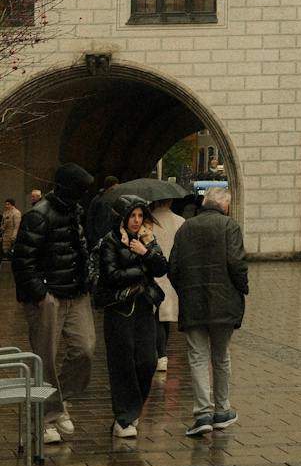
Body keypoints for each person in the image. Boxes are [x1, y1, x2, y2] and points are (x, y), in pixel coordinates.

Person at [11, 162, 96, 444]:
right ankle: (47, 417)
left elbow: (81, 248)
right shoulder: (38, 216)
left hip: (75, 291)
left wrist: (87, 278)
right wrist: (40, 294)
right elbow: (23, 261)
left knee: (85, 349)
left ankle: (57, 401)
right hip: (48, 296)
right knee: (45, 357)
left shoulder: (75, 212)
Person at [168, 185, 248, 438]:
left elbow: (174, 267)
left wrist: (185, 290)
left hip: (193, 302)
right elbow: (236, 262)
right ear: (224, 206)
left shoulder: (185, 228)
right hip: (224, 302)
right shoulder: (229, 226)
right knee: (221, 356)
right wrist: (242, 288)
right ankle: (222, 410)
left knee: (198, 356)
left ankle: (203, 412)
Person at [95, 194, 169, 437]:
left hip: (144, 306)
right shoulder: (110, 241)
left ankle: (133, 409)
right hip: (120, 308)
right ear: (122, 218)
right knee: (123, 363)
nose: (137, 221)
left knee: (147, 361)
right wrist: (141, 267)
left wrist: (144, 252)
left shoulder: (147, 238)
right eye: (133, 216)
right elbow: (111, 275)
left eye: (140, 215)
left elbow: (161, 267)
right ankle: (123, 418)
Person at [149, 199, 184, 373]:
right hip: (172, 274)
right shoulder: (180, 221)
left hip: (153, 273)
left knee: (156, 316)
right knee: (166, 317)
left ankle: (160, 354)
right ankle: (162, 354)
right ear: (170, 201)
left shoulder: (147, 221)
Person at [85, 176, 119, 251]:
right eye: (114, 188)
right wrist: (93, 239)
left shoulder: (116, 200)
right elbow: (90, 219)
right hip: (97, 237)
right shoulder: (97, 200)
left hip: (111, 238)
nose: (116, 190)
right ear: (109, 187)